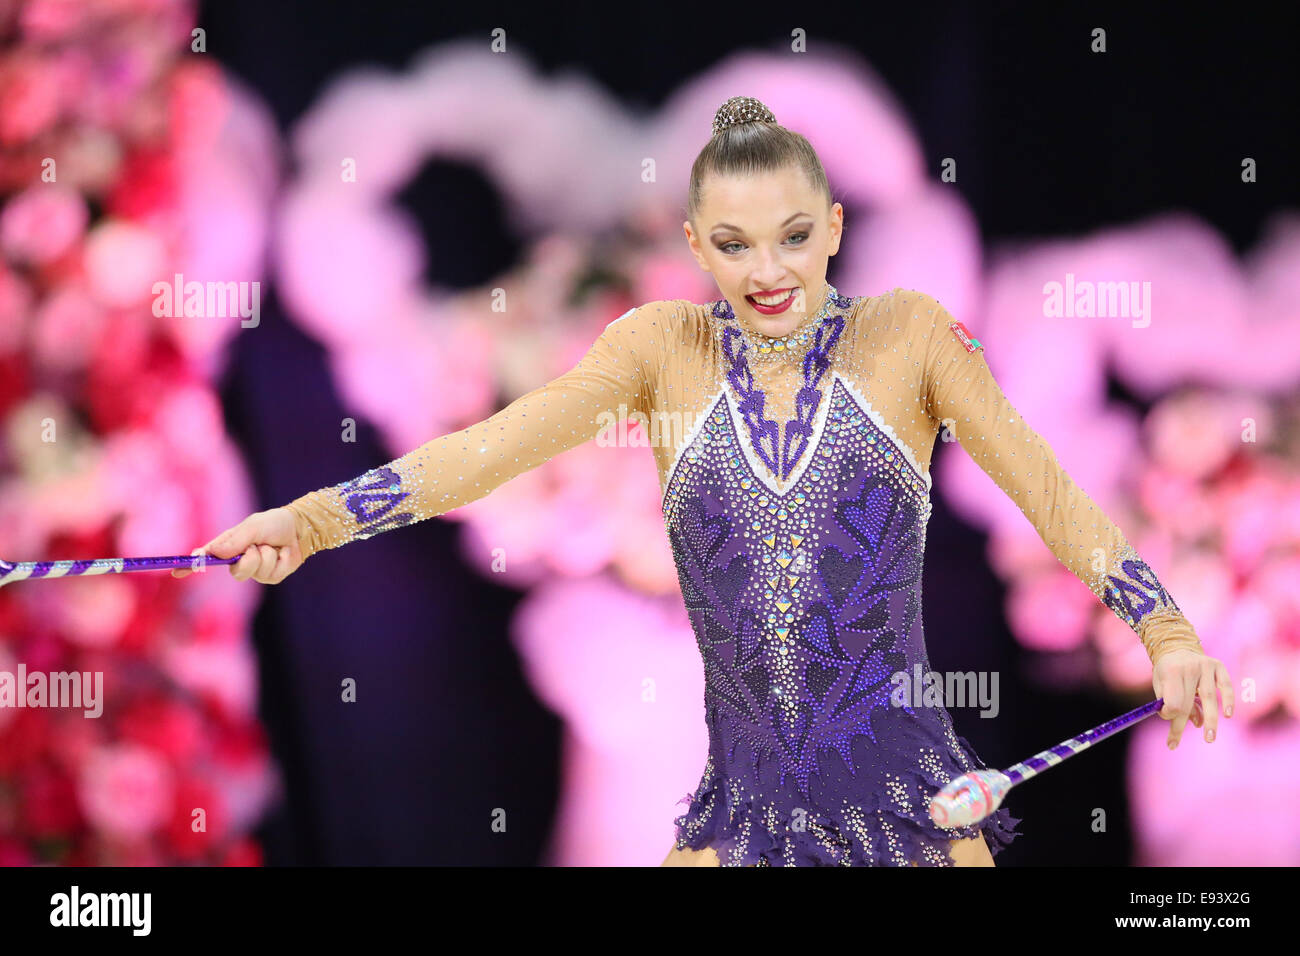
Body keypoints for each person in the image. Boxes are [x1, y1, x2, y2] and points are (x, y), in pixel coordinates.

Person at [174, 95, 1233, 867]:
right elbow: (473, 456)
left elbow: (1044, 487)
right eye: (733, 243)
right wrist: (311, 519)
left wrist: (1165, 625)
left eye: (788, 238)